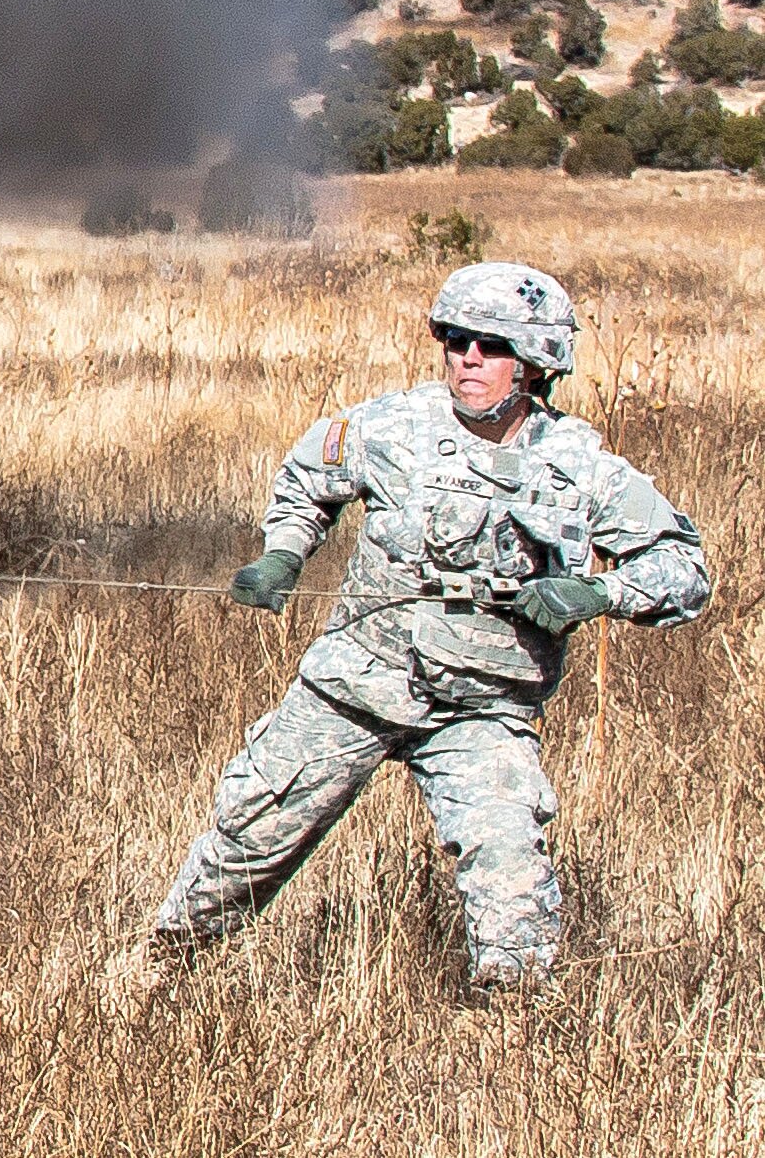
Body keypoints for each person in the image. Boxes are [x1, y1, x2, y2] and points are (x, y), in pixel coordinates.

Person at [151, 260, 711, 989]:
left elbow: (684, 568)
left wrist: (597, 592)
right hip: (356, 684)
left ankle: (507, 1040)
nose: (467, 357)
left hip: (484, 706)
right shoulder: (392, 426)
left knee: (513, 892)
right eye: (455, 338)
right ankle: (153, 976)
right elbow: (306, 477)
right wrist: (284, 552)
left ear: (536, 363)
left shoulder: (580, 467)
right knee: (246, 842)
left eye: (490, 343)